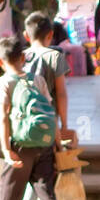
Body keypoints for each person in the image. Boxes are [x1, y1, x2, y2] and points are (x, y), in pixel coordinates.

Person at [0, 34, 59, 200]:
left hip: (19, 147)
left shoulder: (2, 83)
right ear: (23, 57)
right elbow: (50, 112)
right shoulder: (38, 80)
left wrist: (6, 149)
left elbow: (3, 117)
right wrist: (57, 142)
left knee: (8, 199)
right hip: (44, 144)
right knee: (47, 194)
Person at [23, 12, 77, 146]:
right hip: (48, 121)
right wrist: (64, 125)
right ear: (51, 35)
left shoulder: (20, 57)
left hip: (24, 122)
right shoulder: (55, 56)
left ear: (26, 35)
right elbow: (61, 93)